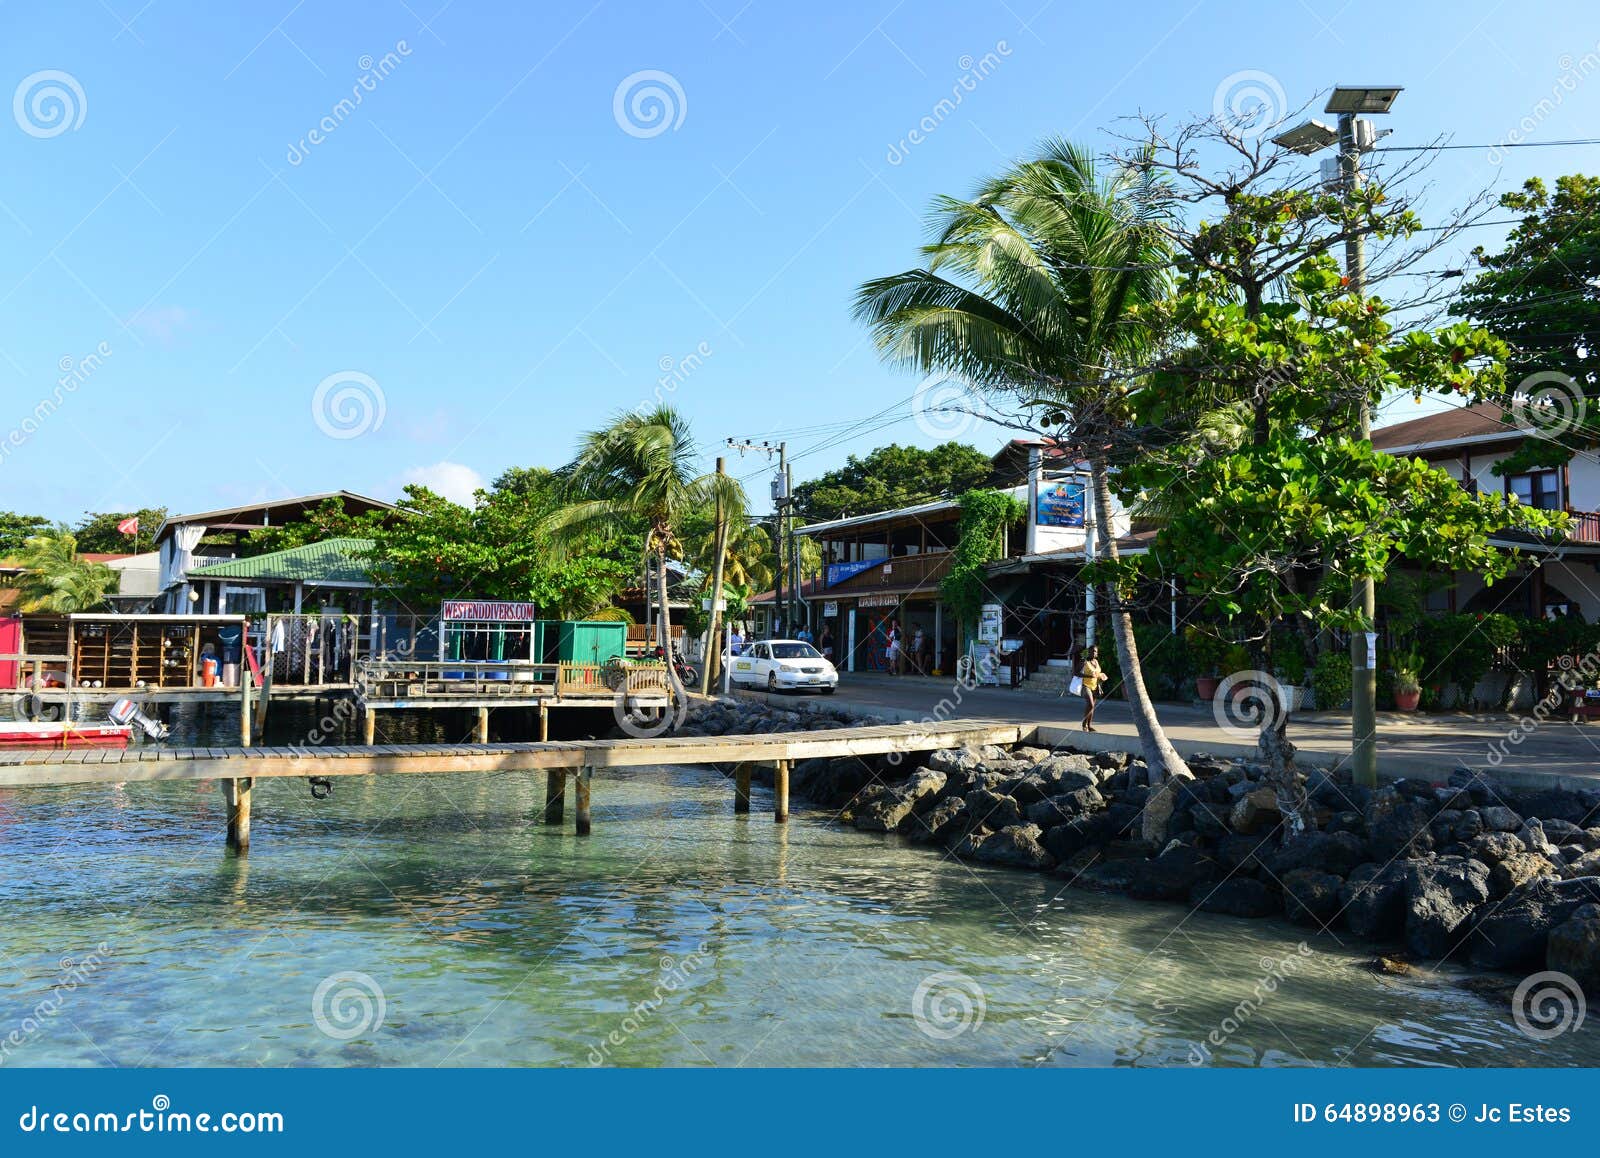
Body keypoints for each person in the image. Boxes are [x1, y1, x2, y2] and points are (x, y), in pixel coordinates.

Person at [1078, 645, 1103, 732]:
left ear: (1097, 653)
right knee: (1091, 704)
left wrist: (1101, 676)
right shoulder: (1084, 661)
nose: (1093, 653)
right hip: (1085, 685)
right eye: (1091, 651)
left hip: (1095, 686)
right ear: (1088, 652)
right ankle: (1084, 724)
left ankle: (1089, 725)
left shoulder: (1096, 661)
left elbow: (1097, 673)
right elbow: (1076, 673)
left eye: (1095, 651)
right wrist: (1089, 675)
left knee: (1092, 707)